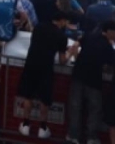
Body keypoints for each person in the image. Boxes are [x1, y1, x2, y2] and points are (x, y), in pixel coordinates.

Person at [17, 9, 73, 137]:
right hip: (46, 67)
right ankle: (42, 127)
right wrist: (71, 52)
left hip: (31, 64)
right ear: (62, 21)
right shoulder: (61, 36)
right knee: (45, 98)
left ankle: (25, 124)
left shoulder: (39, 27)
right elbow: (62, 60)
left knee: (28, 95)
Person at [67, 20, 115, 144]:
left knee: (75, 107)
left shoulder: (89, 35)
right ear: (109, 32)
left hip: (78, 75)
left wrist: (76, 58)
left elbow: (75, 45)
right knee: (94, 110)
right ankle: (91, 137)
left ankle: (73, 136)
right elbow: (110, 65)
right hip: (94, 80)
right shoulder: (107, 46)